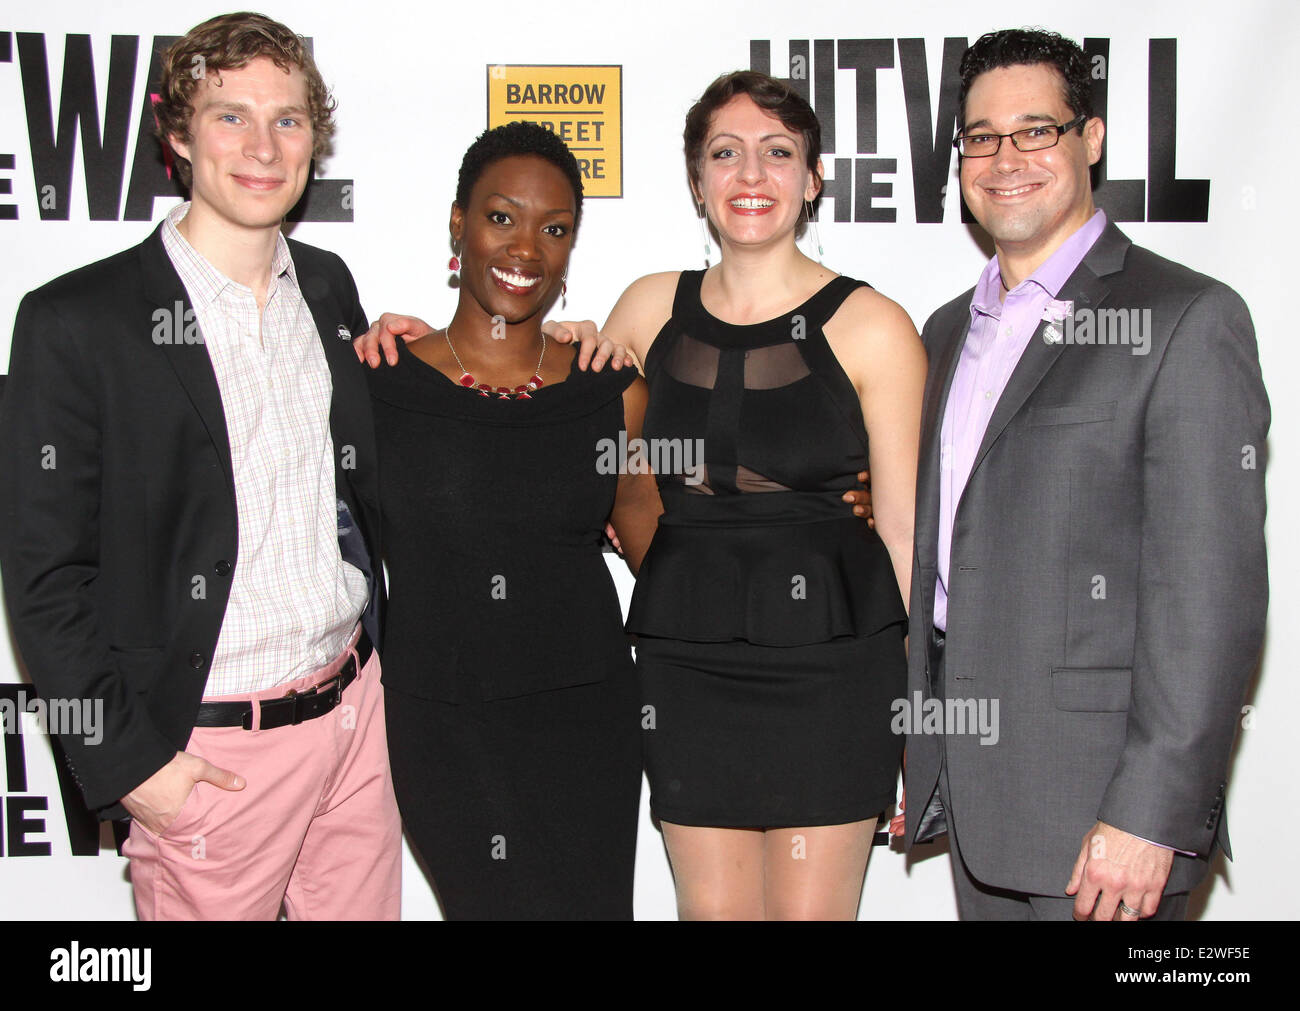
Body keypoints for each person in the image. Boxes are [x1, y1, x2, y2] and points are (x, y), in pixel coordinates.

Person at [356, 76, 911, 920]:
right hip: (684, 668)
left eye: (778, 152)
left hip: (828, 665)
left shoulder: (876, 325)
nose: (750, 174)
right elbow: (563, 401)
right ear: (696, 181)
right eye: (725, 153)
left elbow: (905, 533)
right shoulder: (648, 310)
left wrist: (918, 732)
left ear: (814, 175)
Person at [0, 12, 401, 920]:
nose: (263, 146)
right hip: (216, 751)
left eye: (289, 119)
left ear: (314, 139)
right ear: (178, 136)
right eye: (231, 116)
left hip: (354, 719)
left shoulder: (331, 286)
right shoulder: (77, 322)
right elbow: (43, 574)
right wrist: (133, 764)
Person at [894, 28, 1269, 921]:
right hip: (980, 803)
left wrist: (1152, 813)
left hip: (1108, 820)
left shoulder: (1185, 319)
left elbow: (1209, 597)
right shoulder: (944, 332)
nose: (1005, 159)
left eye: (1035, 130)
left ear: (1089, 137)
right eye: (981, 137)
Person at [367, 122, 662, 919]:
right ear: (457, 224)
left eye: (555, 228)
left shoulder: (610, 392)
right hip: (443, 724)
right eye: (502, 217)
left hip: (586, 723)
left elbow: (664, 555)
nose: (526, 247)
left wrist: (815, 510)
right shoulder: (378, 387)